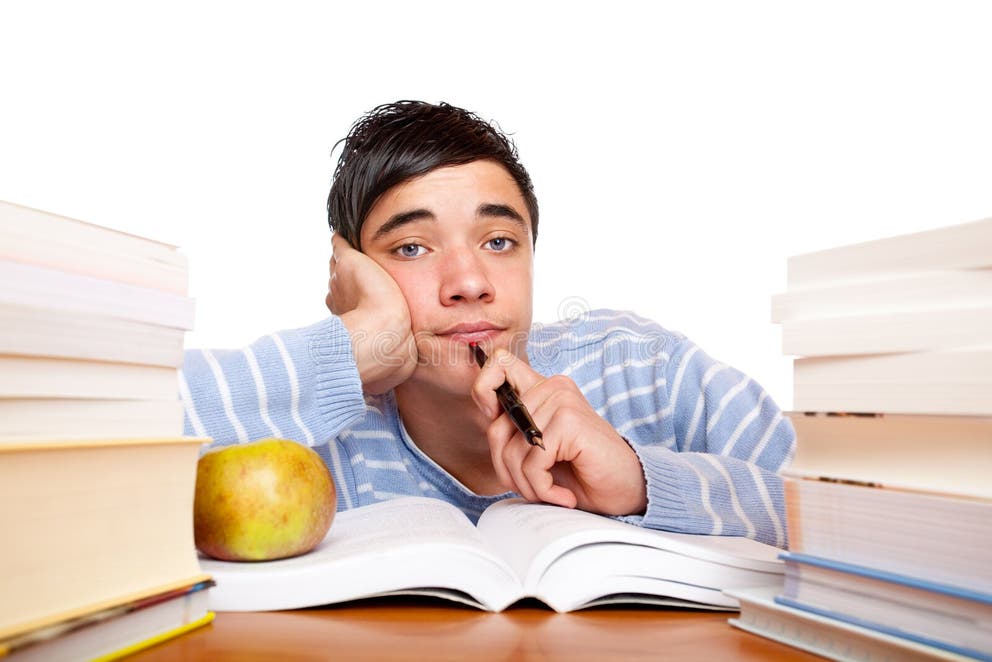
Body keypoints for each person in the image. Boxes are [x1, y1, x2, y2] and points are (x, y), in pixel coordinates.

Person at [181, 100, 794, 547]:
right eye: (413, 248)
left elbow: (849, 511)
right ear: (350, 272)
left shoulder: (644, 368)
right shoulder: (320, 436)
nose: (470, 282)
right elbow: (100, 450)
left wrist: (638, 480)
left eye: (499, 241)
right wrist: (345, 352)